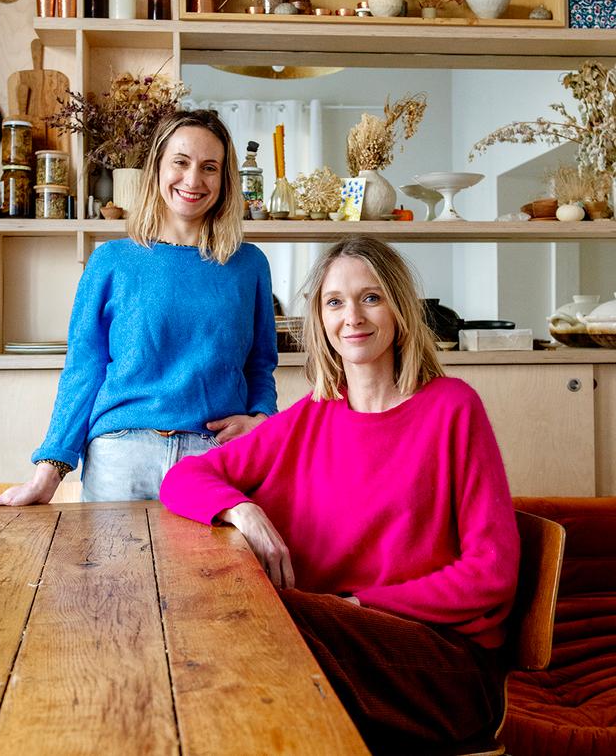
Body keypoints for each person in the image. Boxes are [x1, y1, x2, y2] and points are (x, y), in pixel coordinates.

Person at [160, 236, 520, 756]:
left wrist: (358, 605)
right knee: (234, 629)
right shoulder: (312, 415)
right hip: (330, 647)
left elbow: (491, 574)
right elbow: (184, 477)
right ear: (320, 319)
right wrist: (242, 509)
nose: (352, 316)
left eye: (371, 297)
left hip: (443, 666)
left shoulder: (452, 409)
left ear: (399, 308)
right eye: (335, 302)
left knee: (259, 621)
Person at [0, 109, 278, 506]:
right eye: (180, 162)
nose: (193, 180)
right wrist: (48, 473)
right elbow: (84, 369)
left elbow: (260, 364)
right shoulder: (112, 261)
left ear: (225, 180)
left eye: (210, 167)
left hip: (214, 457)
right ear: (157, 168)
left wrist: (262, 421)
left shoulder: (248, 265)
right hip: (121, 457)